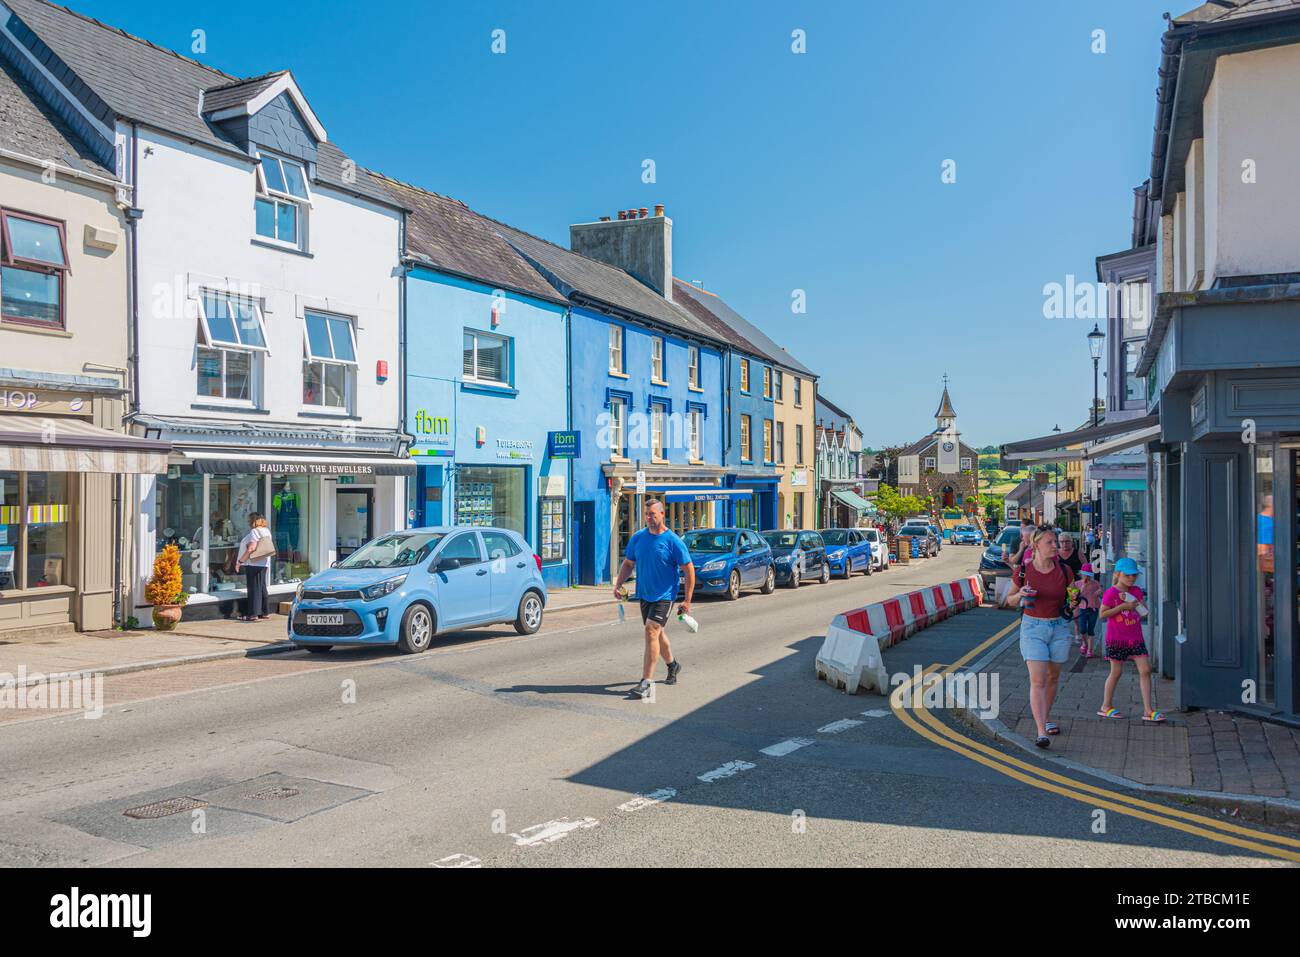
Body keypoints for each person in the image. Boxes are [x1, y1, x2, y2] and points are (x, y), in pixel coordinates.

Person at [1003, 525, 1078, 749]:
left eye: (1055, 542)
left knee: (1053, 677)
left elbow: (1072, 593)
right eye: (1050, 542)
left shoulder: (1064, 571)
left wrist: (1074, 601)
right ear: (1036, 546)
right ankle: (1041, 731)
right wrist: (1021, 594)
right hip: (1033, 627)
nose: (1055, 546)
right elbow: (1010, 600)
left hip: (1059, 627)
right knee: (1038, 679)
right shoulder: (1024, 572)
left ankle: (1045, 718)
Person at [613, 500, 695, 699]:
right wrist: (619, 584)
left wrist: (687, 601)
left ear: (662, 514)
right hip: (645, 593)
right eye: (647, 515)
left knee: (651, 630)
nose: (649, 518)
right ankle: (673, 665)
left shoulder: (673, 541)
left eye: (652, 514)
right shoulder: (638, 538)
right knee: (657, 635)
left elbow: (689, 569)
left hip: (665, 595)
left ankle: (647, 683)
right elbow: (628, 563)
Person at [1096, 557, 1163, 722]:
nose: (1131, 578)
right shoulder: (1111, 593)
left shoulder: (1137, 591)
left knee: (1145, 670)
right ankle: (1106, 706)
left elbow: (1144, 612)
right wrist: (1122, 607)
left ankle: (1148, 710)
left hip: (1135, 638)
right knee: (1116, 672)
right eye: (1127, 575)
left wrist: (1133, 602)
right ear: (1118, 574)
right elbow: (1102, 614)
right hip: (1117, 639)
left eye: (1134, 575)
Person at [234, 512, 272, 622]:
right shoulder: (266, 531)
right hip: (264, 563)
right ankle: (265, 612)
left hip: (254, 563)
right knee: (262, 587)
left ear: (254, 521)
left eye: (249, 520)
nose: (248, 522)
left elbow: (251, 548)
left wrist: (240, 561)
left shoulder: (255, 531)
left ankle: (253, 614)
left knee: (254, 588)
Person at [1075, 563, 1102, 658]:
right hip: (1082, 608)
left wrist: (1099, 592)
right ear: (1081, 574)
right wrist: (1081, 589)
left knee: (1091, 629)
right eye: (1085, 574)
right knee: (1082, 629)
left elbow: (1101, 593)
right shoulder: (1077, 584)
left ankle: (1090, 650)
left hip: (1094, 608)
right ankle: (1084, 643)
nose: (1087, 577)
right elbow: (1074, 597)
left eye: (1089, 575)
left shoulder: (1095, 583)